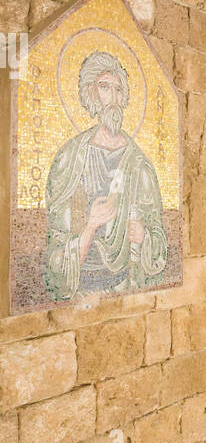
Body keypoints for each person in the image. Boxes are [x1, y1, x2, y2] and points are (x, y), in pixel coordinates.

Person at [44, 50, 167, 299]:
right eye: (104, 87)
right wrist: (91, 225)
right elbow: (56, 246)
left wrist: (145, 237)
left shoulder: (139, 164)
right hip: (82, 290)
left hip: (125, 285)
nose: (112, 97)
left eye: (118, 90)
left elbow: (157, 230)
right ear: (91, 93)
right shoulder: (70, 158)